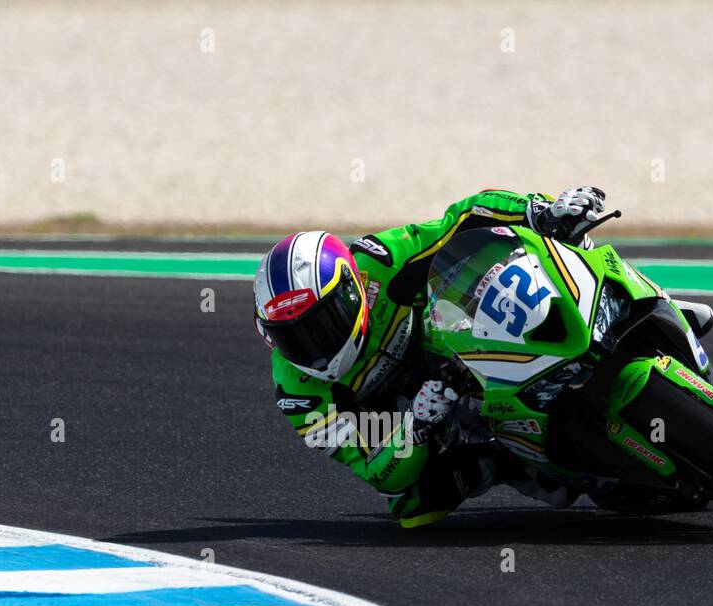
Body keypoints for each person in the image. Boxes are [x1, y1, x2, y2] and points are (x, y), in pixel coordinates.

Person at [254, 187, 606, 527]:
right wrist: (417, 426)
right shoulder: (299, 396)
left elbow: (465, 216)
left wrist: (539, 212)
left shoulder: (382, 261)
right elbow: (376, 471)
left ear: (350, 288)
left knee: (520, 252)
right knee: (412, 501)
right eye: (293, 339)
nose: (313, 347)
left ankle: (606, 302)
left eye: (321, 324)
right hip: (425, 414)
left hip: (462, 333)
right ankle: (516, 465)